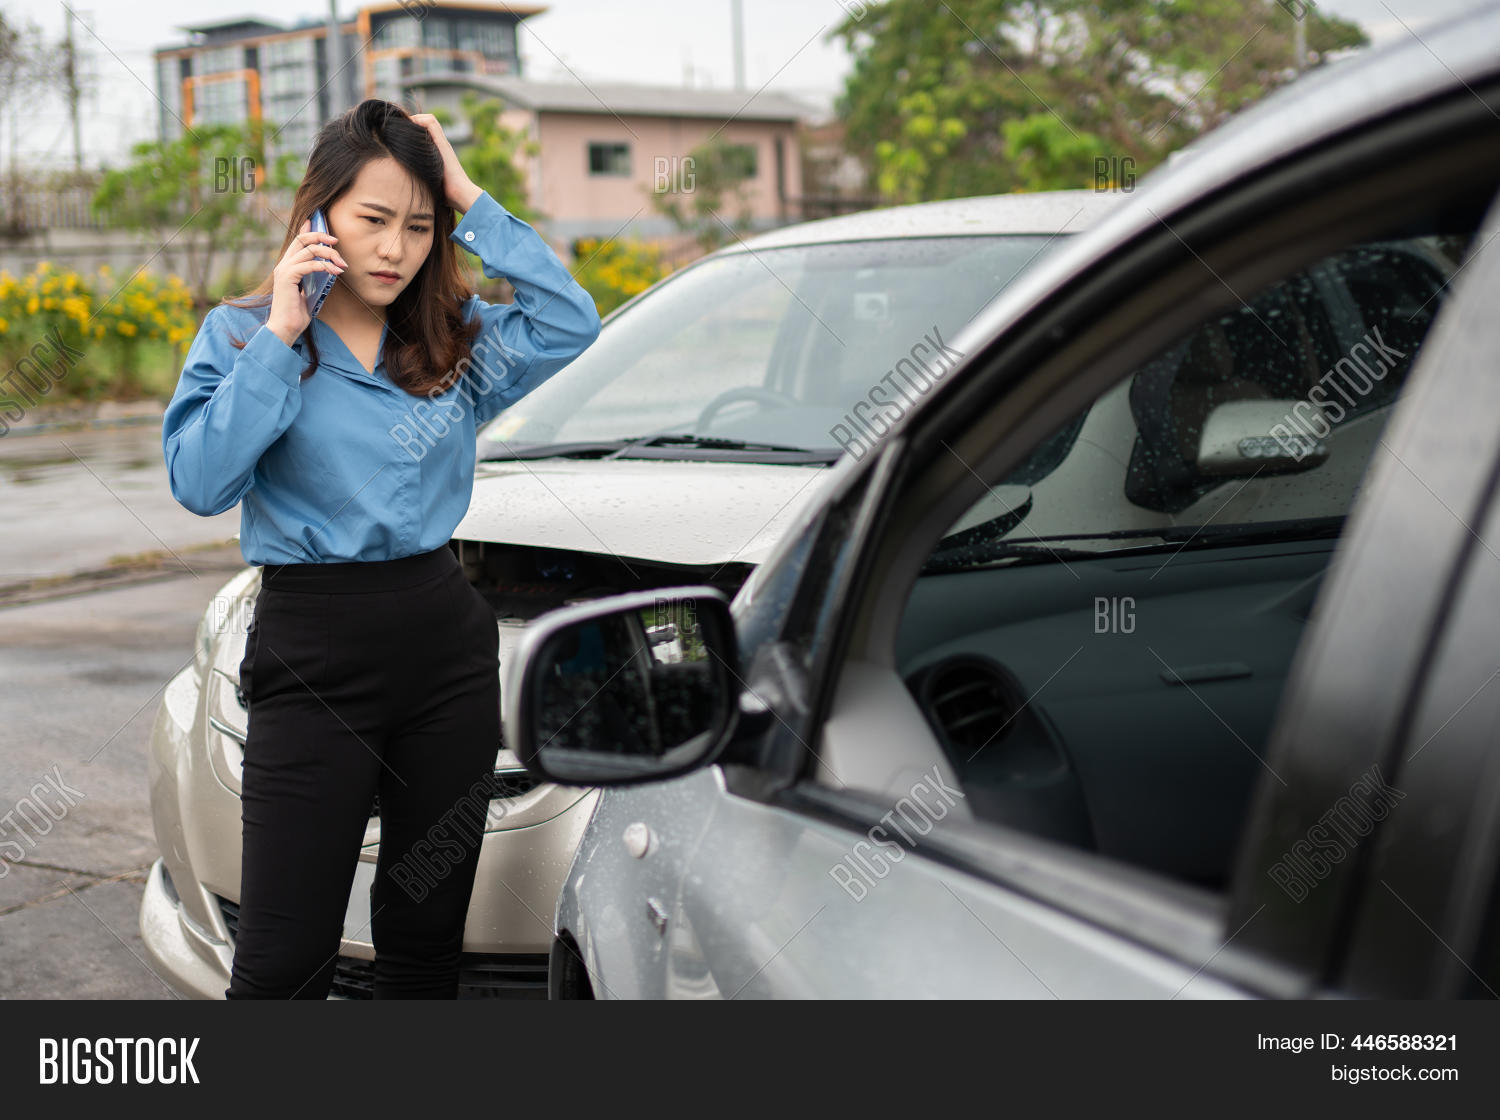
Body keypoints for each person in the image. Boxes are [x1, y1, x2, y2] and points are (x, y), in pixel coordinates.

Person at [160, 98, 602, 999]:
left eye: (418, 226)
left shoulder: (451, 337)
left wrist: (472, 198)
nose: (395, 249)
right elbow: (201, 482)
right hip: (313, 649)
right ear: (318, 213)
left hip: (445, 646)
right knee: (284, 959)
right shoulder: (244, 335)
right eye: (372, 220)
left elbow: (570, 324)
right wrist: (284, 335)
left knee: (424, 944)